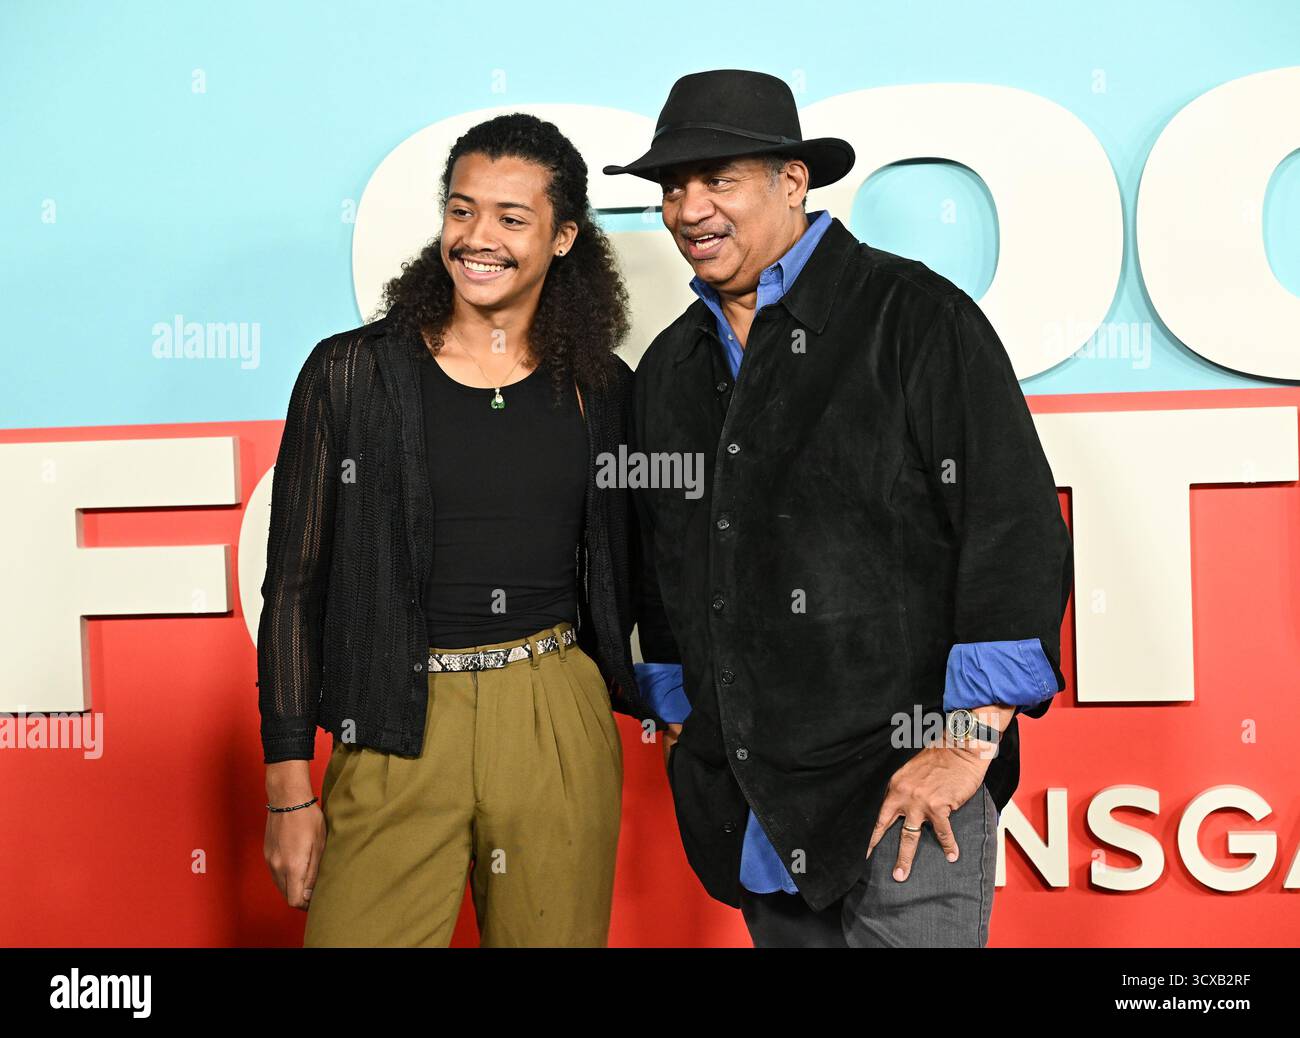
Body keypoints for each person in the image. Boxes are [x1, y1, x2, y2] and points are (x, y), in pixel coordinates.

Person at [607, 69, 1074, 947]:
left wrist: (964, 745)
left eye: (718, 179)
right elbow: (665, 564)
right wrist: (683, 713)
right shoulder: (670, 369)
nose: (688, 207)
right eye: (672, 187)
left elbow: (1012, 529)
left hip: (908, 794)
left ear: (792, 181)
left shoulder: (916, 317)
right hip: (753, 810)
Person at [258, 112, 655, 947]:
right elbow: (294, 589)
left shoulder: (602, 389)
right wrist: (289, 789)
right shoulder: (350, 373)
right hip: (394, 722)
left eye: (513, 219)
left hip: (552, 714)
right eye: (461, 209)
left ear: (565, 238)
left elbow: (645, 562)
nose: (479, 238)